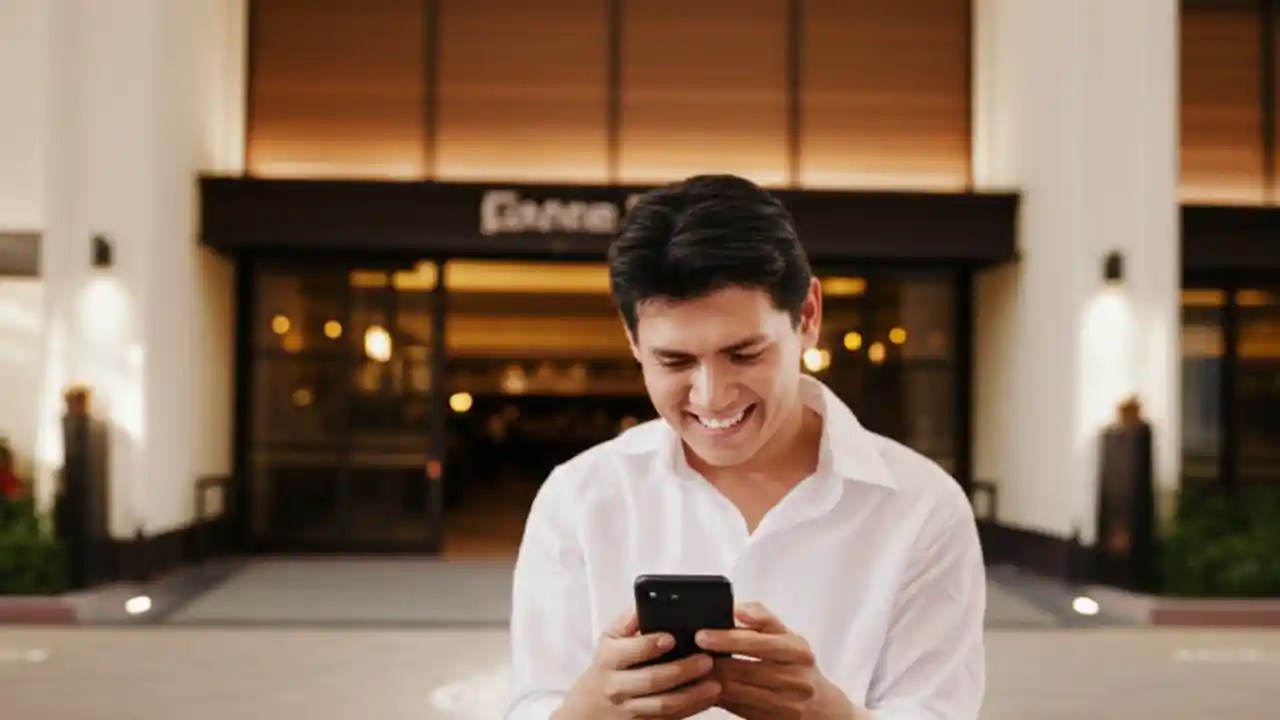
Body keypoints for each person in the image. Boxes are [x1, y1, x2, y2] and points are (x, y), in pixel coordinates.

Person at [504, 175, 986, 719]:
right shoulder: (579, 496)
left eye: (745, 353)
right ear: (633, 340)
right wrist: (584, 711)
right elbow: (535, 702)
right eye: (675, 362)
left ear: (806, 317)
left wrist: (834, 716)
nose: (712, 396)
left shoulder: (922, 507)